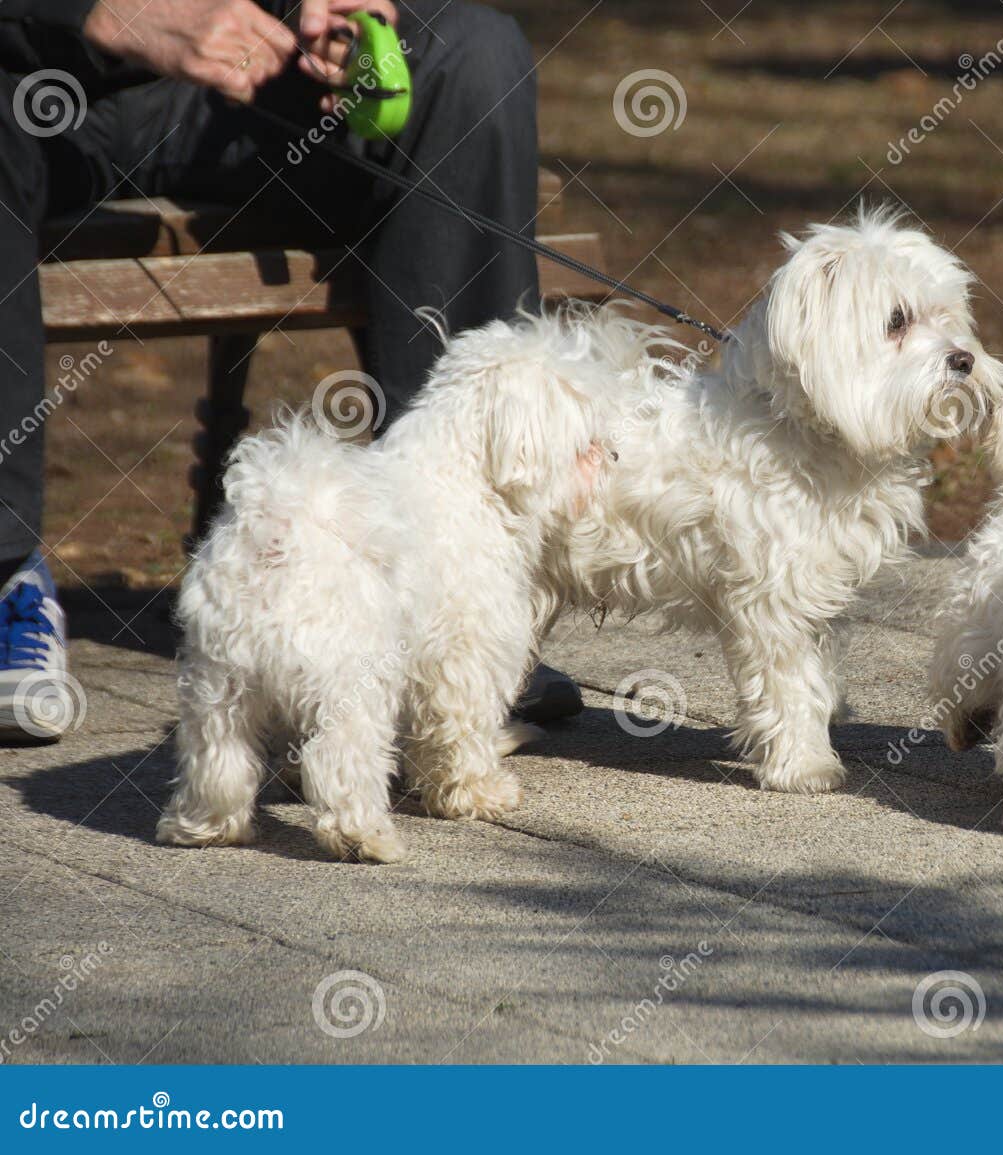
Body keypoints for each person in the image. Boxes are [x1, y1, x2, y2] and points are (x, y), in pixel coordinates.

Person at [0, 0, 580, 740]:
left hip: (265, 77)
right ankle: (5, 573)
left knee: (472, 54)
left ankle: (456, 602)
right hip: (44, 83)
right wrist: (113, 13)